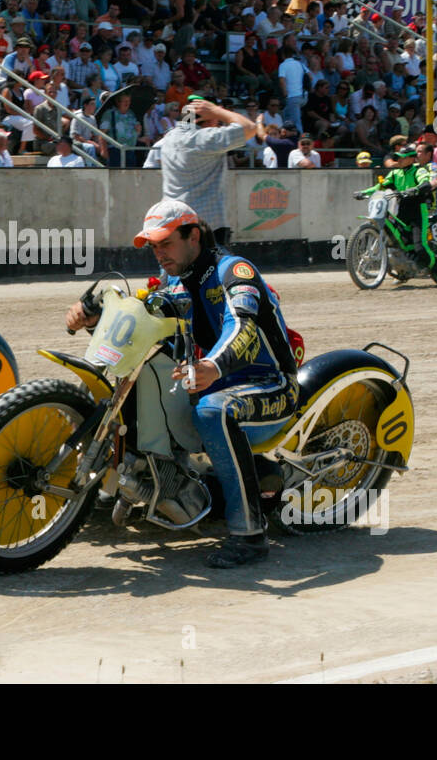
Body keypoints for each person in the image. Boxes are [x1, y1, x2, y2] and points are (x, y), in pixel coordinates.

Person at [65, 200, 298, 568]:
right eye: (154, 247)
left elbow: (244, 329)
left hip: (268, 384)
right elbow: (145, 323)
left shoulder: (234, 271)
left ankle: (250, 534)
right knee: (140, 380)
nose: (159, 254)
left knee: (212, 412)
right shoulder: (175, 280)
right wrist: (93, 318)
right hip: (209, 379)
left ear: (193, 236)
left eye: (166, 244)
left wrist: (212, 366)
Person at [156, 95, 263, 246]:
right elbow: (250, 128)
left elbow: (186, 121)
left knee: (174, 268)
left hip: (171, 221)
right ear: (207, 117)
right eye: (217, 119)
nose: (218, 123)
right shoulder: (205, 139)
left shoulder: (170, 137)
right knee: (211, 269)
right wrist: (217, 110)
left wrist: (196, 112)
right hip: (206, 226)